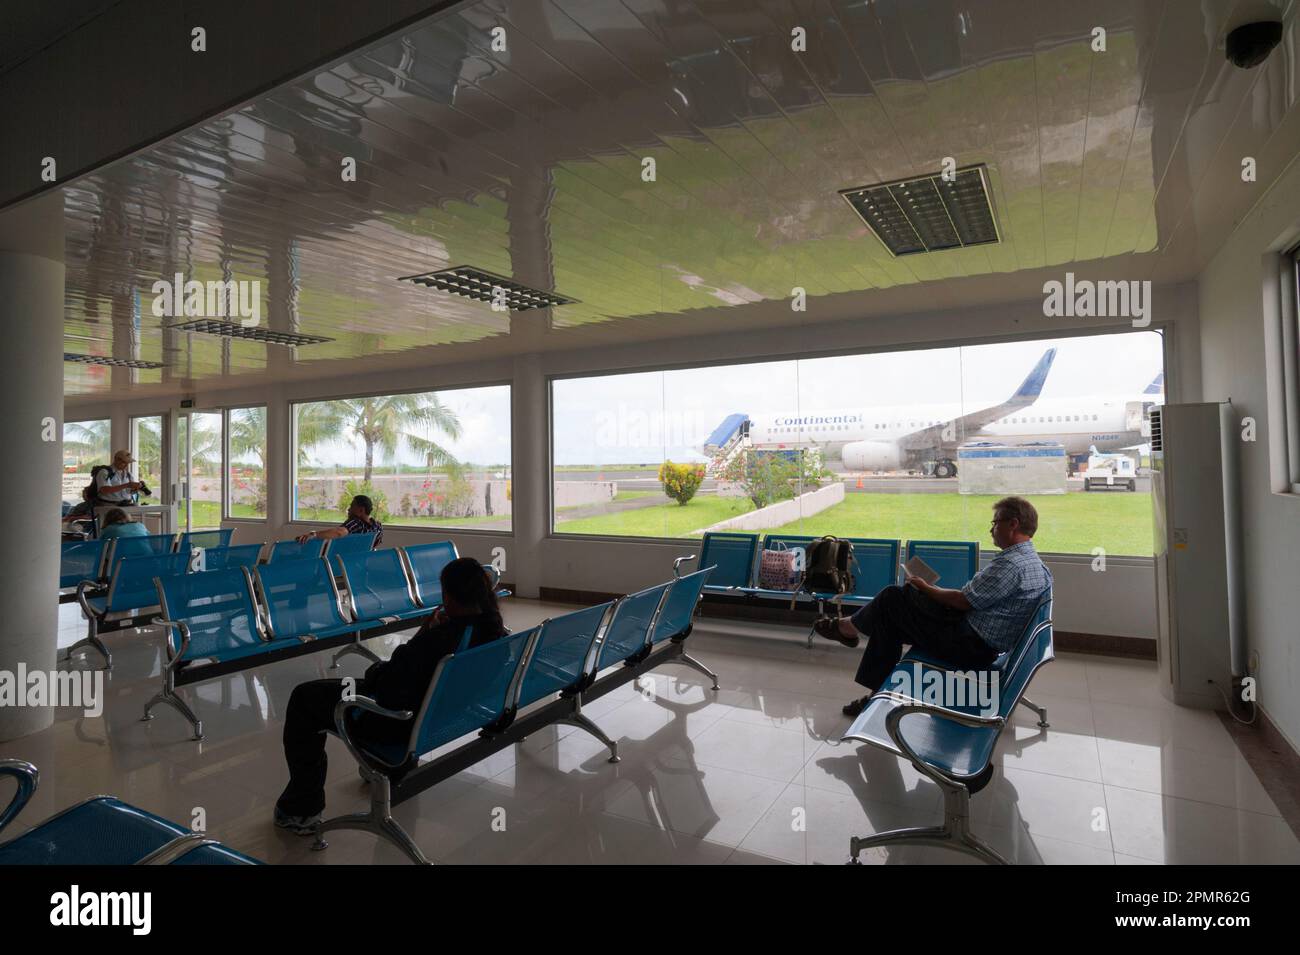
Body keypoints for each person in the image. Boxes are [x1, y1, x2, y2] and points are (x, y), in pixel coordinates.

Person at [273, 556, 505, 833]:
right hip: (438, 715)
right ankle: (391, 772)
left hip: (394, 719)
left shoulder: (438, 641)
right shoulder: (493, 632)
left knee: (304, 698)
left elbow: (386, 685)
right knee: (344, 689)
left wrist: (419, 637)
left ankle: (300, 810)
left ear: (449, 595)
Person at [815, 496, 1053, 717]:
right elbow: (971, 600)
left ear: (1013, 524)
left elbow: (963, 601)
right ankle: (874, 692)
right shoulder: (1033, 563)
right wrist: (927, 591)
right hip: (973, 634)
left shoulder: (1011, 565)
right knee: (890, 618)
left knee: (892, 597)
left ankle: (848, 628)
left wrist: (926, 588)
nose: (991, 529)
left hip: (969, 645)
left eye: (995, 522)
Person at [296, 494, 383, 548]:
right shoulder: (378, 527)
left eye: (352, 506)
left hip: (341, 563)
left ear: (361, 510)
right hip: (360, 564)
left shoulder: (356, 523)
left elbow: (339, 532)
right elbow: (374, 545)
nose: (349, 509)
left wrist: (313, 534)